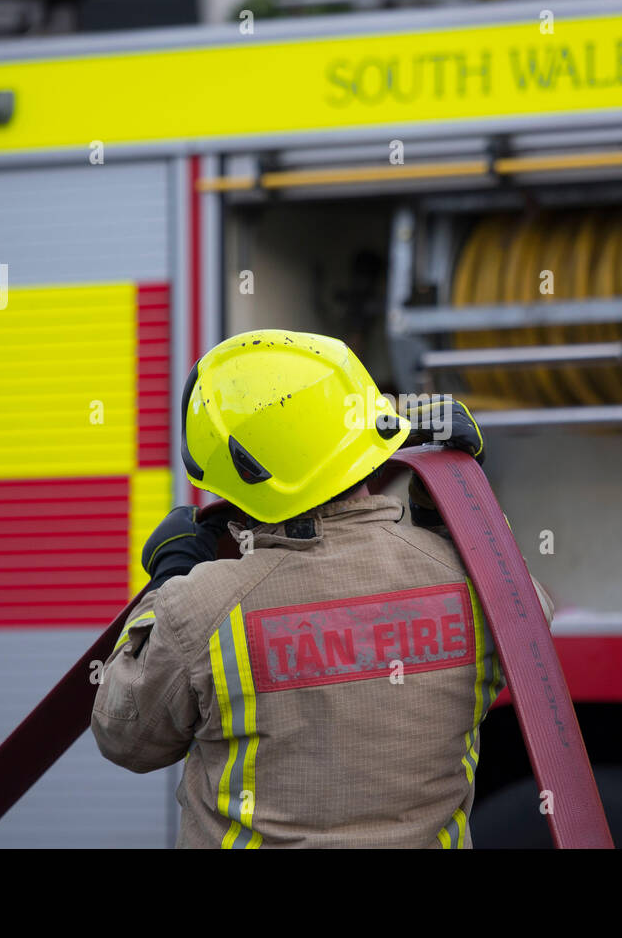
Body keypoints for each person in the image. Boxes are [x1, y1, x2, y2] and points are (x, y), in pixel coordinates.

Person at [91, 329, 553, 848]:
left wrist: (168, 580)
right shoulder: (472, 586)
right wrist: (454, 516)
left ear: (235, 471)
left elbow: (126, 736)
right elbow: (529, 620)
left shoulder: (201, 606)